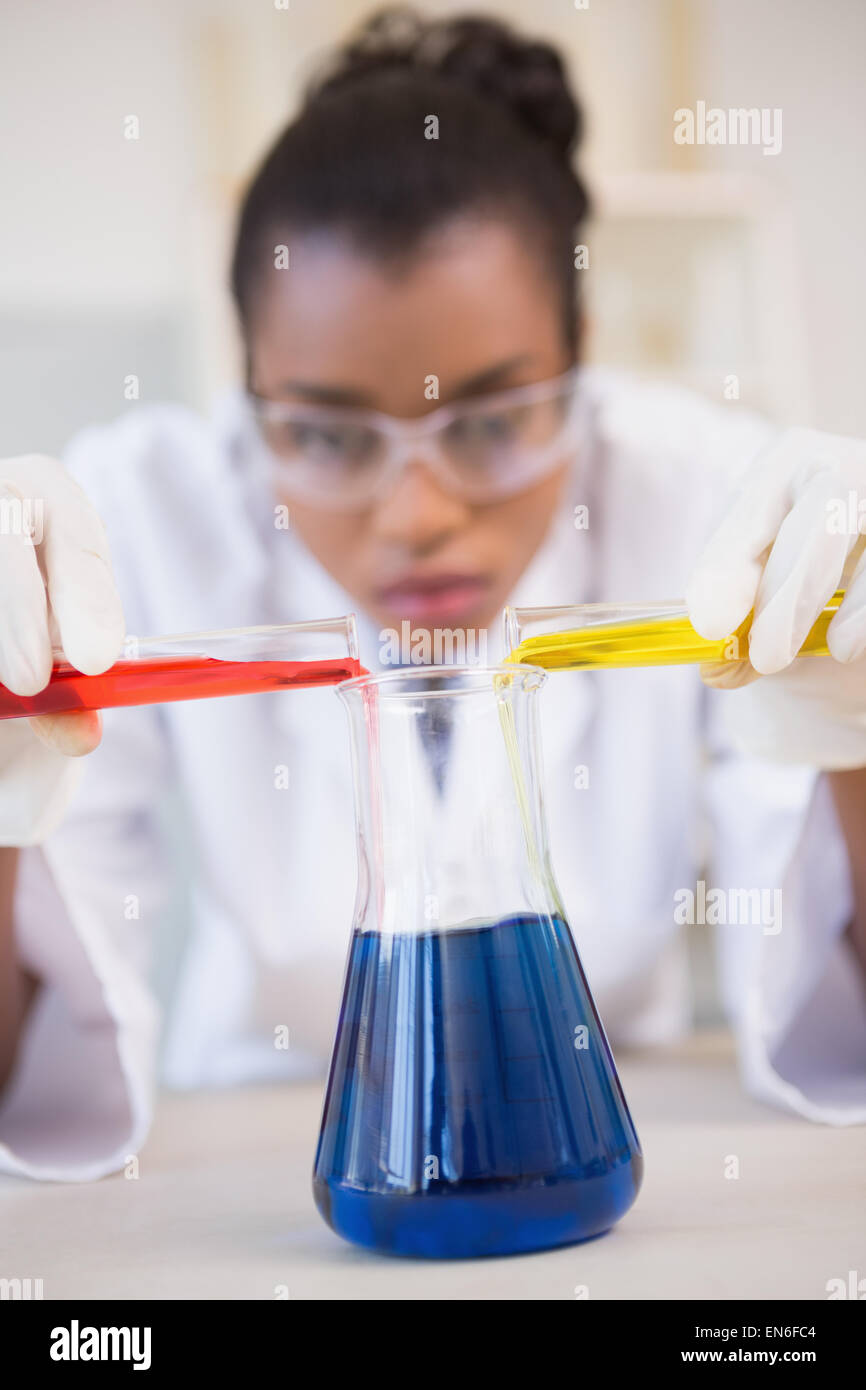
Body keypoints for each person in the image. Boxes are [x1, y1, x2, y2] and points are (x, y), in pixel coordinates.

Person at [0, 8, 864, 1183]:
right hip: (242, 1152)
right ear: (250, 394)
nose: (415, 515)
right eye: (323, 432)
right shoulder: (130, 514)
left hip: (619, 1111)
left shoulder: (711, 499)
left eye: (497, 418)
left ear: (582, 359)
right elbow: (27, 1082)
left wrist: (855, 746)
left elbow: (839, 1018)